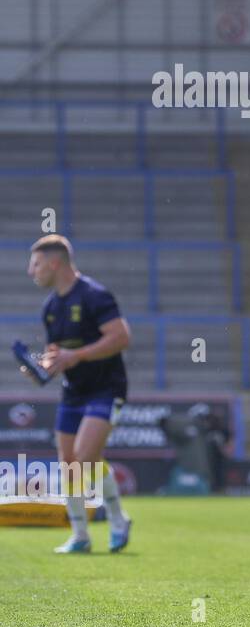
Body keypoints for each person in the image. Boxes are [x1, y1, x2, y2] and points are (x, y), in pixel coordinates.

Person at [28, 235, 133, 553]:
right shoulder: (50, 308)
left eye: (35, 264)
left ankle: (117, 519)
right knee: (69, 463)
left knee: (85, 458)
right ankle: (80, 536)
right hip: (74, 391)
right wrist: (43, 367)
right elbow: (56, 353)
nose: (31, 272)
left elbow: (120, 337)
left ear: (53, 262)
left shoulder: (94, 295)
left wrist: (77, 356)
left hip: (106, 388)